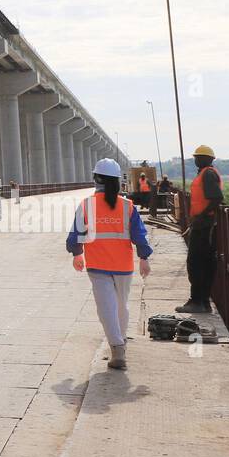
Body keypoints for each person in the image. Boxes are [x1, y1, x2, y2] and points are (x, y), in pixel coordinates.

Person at [67, 158, 153, 370]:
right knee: (120, 306)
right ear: (117, 180)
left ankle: (117, 348)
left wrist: (77, 254)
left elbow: (74, 236)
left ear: (96, 179)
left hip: (98, 266)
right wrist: (144, 257)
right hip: (123, 266)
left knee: (106, 307)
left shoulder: (86, 205)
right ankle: (120, 344)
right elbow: (140, 235)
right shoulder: (127, 206)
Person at [177, 145, 223, 314]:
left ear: (205, 159)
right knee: (203, 263)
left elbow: (216, 198)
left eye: (198, 157)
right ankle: (203, 301)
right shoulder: (205, 173)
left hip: (204, 226)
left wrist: (201, 215)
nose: (195, 159)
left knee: (196, 263)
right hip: (202, 224)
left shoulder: (208, 174)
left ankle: (198, 301)